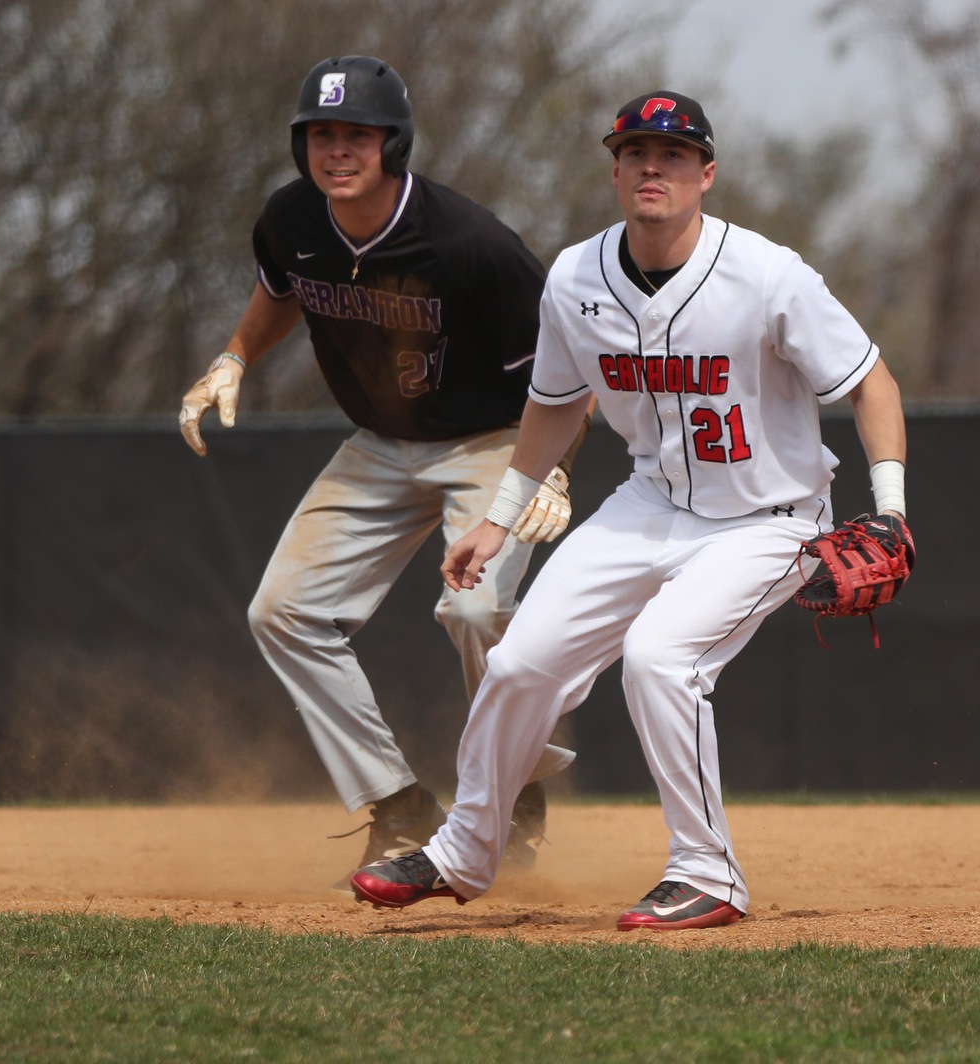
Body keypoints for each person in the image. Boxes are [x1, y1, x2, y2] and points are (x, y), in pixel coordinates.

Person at [351, 91, 909, 928]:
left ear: (706, 175)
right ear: (614, 170)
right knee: (517, 666)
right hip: (648, 505)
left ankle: (708, 874)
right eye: (637, 152)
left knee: (660, 659)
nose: (654, 166)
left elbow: (871, 381)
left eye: (674, 154)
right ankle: (463, 853)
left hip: (770, 517)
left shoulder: (767, 274)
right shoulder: (576, 276)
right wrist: (501, 516)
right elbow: (553, 403)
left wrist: (891, 511)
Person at [177, 56, 584, 884]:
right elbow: (280, 289)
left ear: (392, 142)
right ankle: (398, 804)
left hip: (492, 440)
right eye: (320, 134)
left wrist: (551, 472)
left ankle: (518, 779)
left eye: (356, 134)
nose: (336, 150)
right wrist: (233, 355)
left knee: (475, 610)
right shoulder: (292, 218)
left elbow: (563, 380)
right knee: (281, 612)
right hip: (379, 445)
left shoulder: (472, 245)